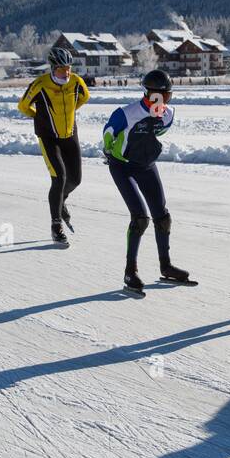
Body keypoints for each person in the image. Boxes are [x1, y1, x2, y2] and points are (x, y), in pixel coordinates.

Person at [102, 69, 191, 294]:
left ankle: (166, 266)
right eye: (157, 96)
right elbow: (108, 133)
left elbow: (158, 132)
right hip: (122, 167)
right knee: (140, 218)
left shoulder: (169, 114)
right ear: (147, 94)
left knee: (162, 217)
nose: (162, 100)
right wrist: (110, 151)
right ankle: (130, 271)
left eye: (166, 96)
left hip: (146, 166)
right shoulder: (126, 113)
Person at [18, 46, 90, 247]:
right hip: (49, 137)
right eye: (61, 68)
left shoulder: (76, 81)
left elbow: (85, 97)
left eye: (68, 67)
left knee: (75, 179)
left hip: (69, 134)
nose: (66, 72)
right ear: (52, 67)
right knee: (59, 177)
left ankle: (61, 202)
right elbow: (23, 106)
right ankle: (56, 225)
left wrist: (70, 114)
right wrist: (39, 118)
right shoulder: (40, 84)